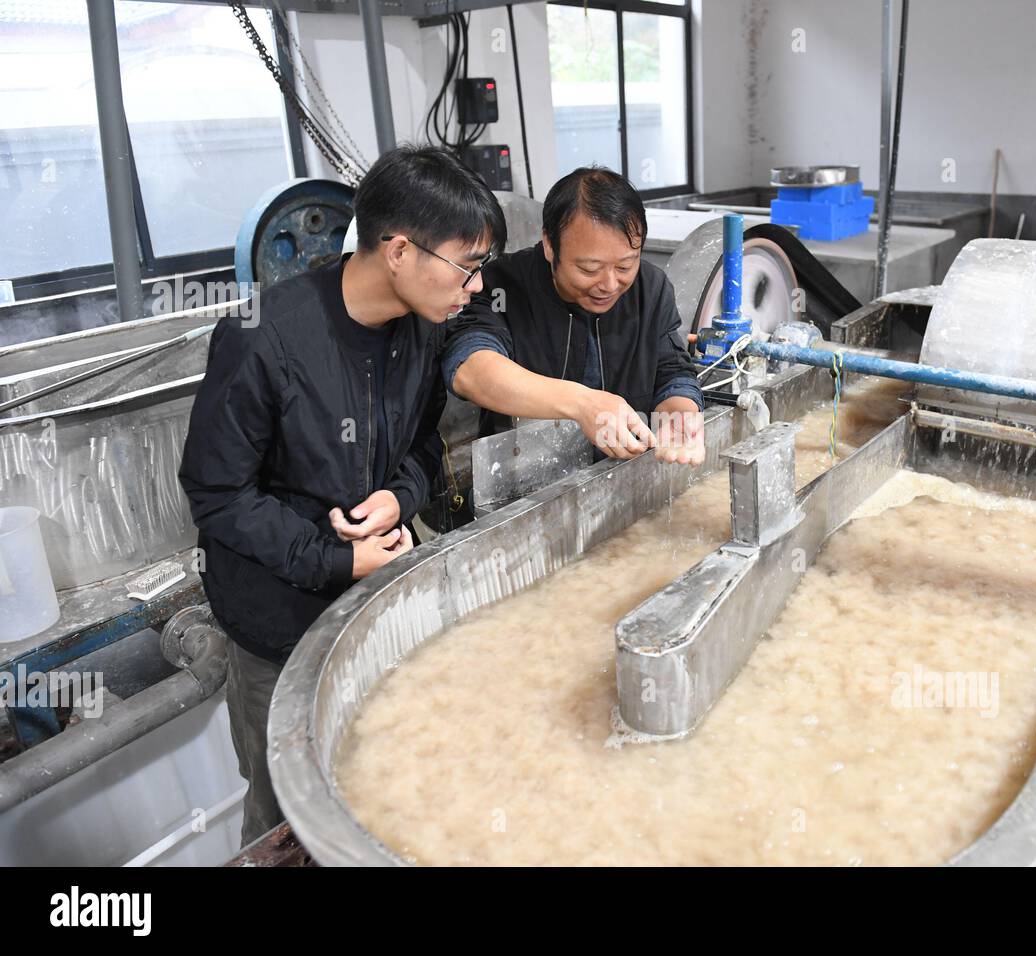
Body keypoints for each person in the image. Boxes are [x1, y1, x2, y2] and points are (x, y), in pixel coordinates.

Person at [179, 146, 657, 848]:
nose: (474, 287)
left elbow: (423, 450)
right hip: (280, 627)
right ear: (398, 251)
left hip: (385, 607)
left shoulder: (421, 331)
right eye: (466, 265)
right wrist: (332, 561)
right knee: (289, 825)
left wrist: (401, 500)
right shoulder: (265, 340)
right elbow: (218, 496)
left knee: (391, 801)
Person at [443, 166, 706, 464]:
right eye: (589, 269)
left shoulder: (651, 288)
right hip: (527, 481)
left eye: (624, 266)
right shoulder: (503, 285)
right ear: (549, 245)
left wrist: (679, 417)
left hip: (623, 472)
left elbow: (672, 370)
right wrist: (582, 404)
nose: (609, 285)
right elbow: (469, 369)